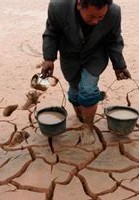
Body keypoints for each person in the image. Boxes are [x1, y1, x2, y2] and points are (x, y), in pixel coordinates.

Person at [41, 0, 131, 144]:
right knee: (76, 92)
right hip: (70, 56)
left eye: (100, 18)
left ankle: (88, 126)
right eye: (91, 17)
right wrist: (49, 59)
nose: (96, 21)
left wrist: (119, 65)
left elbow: (114, 40)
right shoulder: (58, 7)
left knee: (88, 90)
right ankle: (82, 116)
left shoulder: (114, 12)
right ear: (79, 4)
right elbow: (52, 33)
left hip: (95, 55)